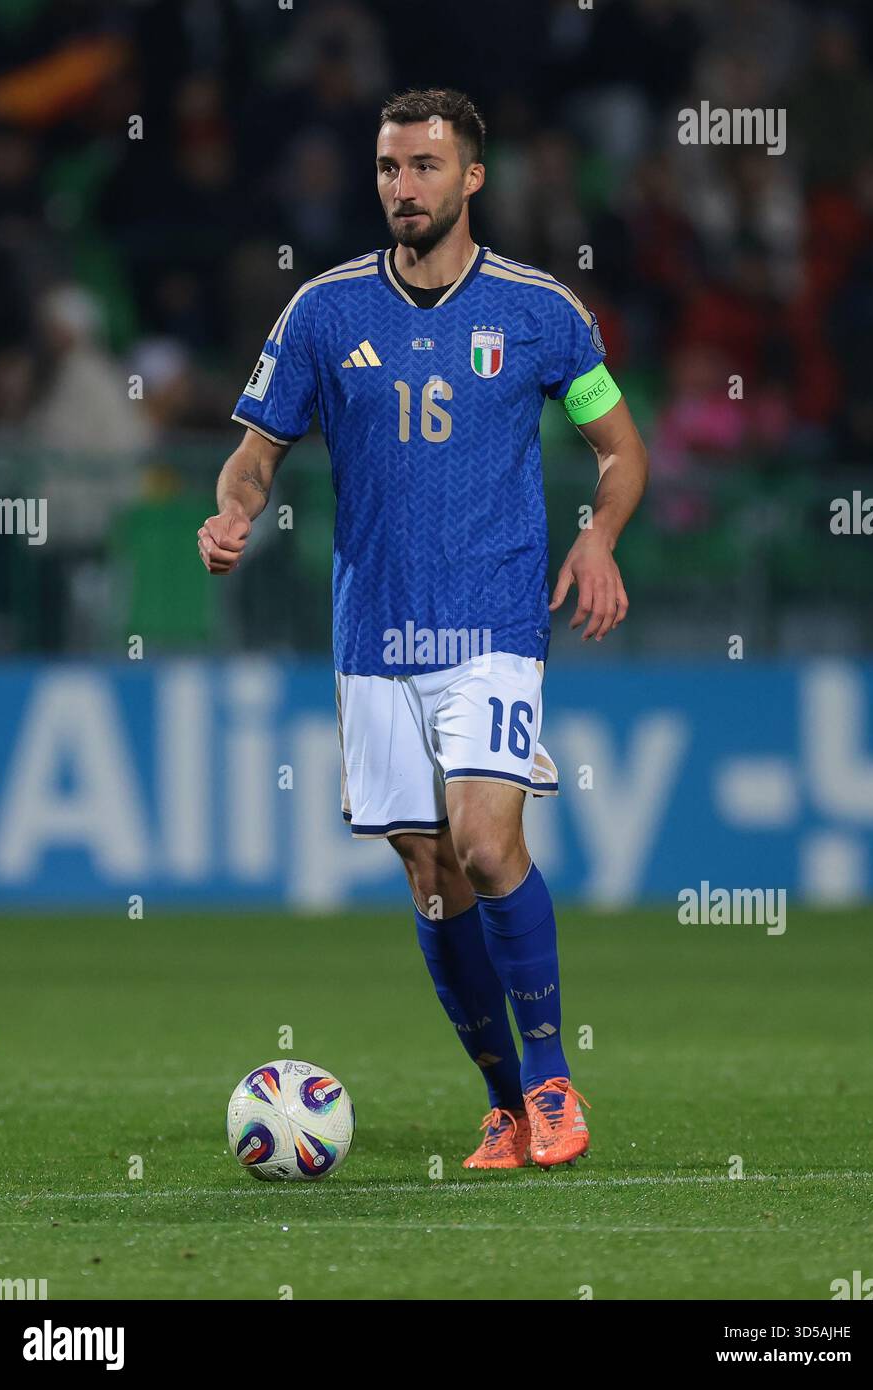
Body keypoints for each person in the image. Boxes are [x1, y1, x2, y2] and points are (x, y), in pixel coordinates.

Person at [199, 89, 648, 1170]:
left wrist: (597, 539)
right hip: (373, 633)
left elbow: (622, 452)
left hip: (492, 617)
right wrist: (234, 509)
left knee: (489, 844)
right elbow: (257, 448)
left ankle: (550, 1081)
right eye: (391, 168)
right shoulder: (322, 311)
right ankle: (502, 1102)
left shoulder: (541, 311)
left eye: (426, 167)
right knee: (432, 871)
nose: (404, 186)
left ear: (471, 178)